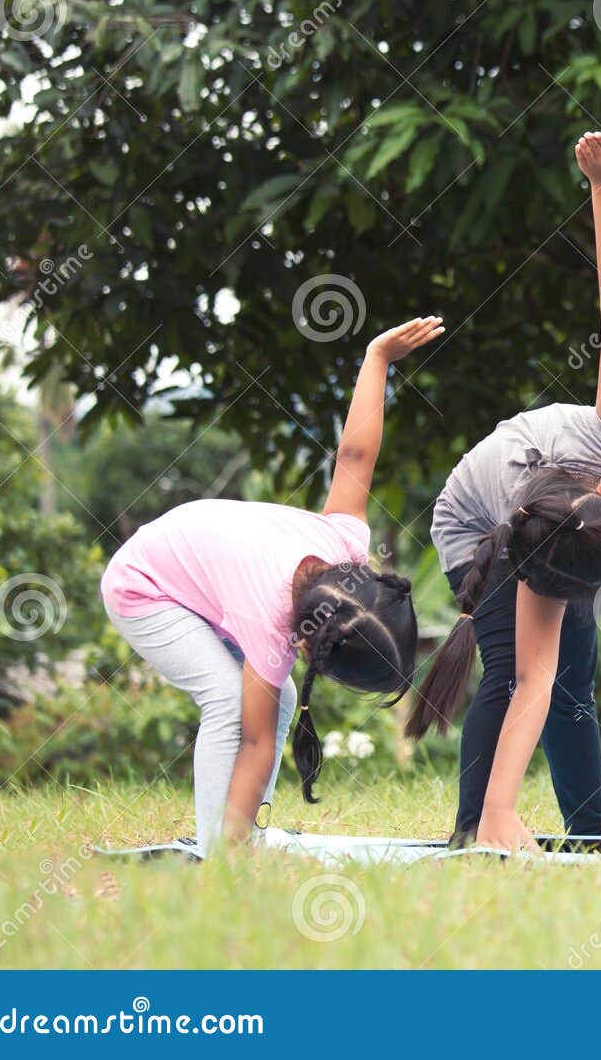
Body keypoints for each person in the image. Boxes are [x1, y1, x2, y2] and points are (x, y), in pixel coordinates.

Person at [100, 317, 444, 854]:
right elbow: (257, 743)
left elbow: (356, 456)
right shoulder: (270, 620)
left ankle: (240, 834)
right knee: (226, 699)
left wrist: (377, 357)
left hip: (191, 563)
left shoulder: (347, 549)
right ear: (311, 646)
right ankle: (221, 849)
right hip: (143, 586)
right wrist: (230, 859)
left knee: (276, 693)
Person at [407, 131, 601, 852]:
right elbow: (527, 683)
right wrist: (500, 818)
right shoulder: (543, 553)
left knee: (573, 678)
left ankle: (590, 832)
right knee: (518, 667)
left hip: (538, 507)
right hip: (472, 521)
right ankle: (475, 825)